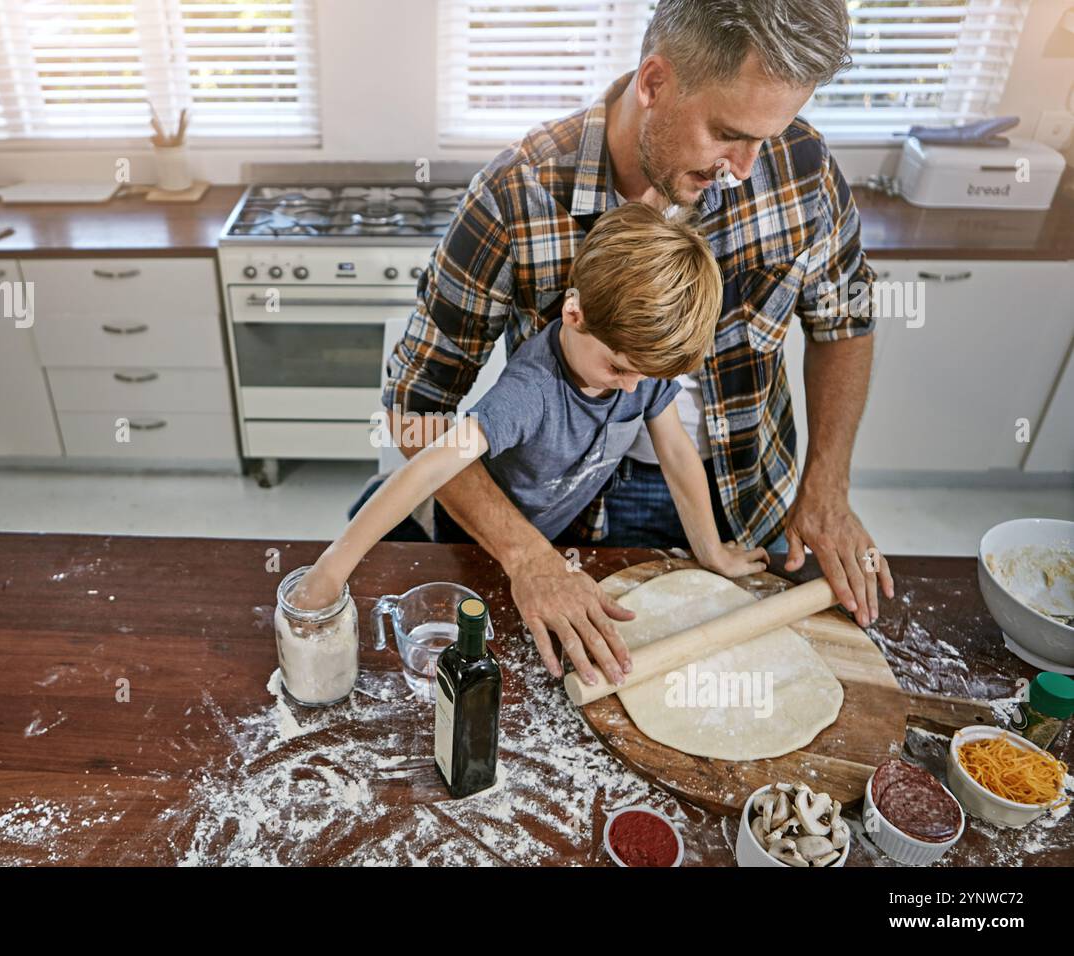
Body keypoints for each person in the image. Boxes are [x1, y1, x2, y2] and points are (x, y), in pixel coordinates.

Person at [382, 0, 894, 689]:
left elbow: (846, 321)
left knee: (765, 692)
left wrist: (827, 483)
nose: (746, 167)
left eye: (766, 138)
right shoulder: (517, 194)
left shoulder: (800, 168)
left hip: (746, 497)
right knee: (581, 701)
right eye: (728, 134)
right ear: (654, 82)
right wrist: (526, 558)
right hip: (568, 515)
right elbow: (416, 410)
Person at [297, 202, 768, 682]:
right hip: (462, 544)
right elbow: (430, 467)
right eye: (619, 368)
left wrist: (711, 549)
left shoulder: (635, 360)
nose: (632, 387)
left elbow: (676, 453)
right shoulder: (531, 392)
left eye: (643, 375)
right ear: (574, 314)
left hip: (545, 543)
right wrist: (332, 570)